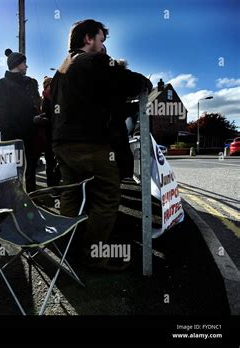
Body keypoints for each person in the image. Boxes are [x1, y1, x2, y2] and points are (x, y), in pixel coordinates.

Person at [51, 19, 152, 271]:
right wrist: (146, 85)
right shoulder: (93, 60)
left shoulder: (60, 71)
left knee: (71, 193)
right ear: (88, 39)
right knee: (107, 195)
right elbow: (129, 80)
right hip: (90, 142)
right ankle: (93, 255)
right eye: (101, 39)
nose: (102, 45)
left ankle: (67, 245)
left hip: (63, 143)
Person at [0, 48, 43, 192]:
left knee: (31, 169)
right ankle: (14, 204)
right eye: (24, 63)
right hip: (12, 138)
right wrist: (28, 123)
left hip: (32, 136)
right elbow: (2, 116)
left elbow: (35, 106)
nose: (27, 66)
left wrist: (37, 119)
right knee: (13, 172)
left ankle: (33, 200)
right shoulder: (1, 84)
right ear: (17, 63)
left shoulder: (30, 82)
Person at [40, 76, 60, 187]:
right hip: (48, 137)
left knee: (61, 161)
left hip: (58, 135)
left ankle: (55, 182)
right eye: (51, 85)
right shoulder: (44, 101)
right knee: (50, 163)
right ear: (46, 86)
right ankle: (52, 186)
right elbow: (46, 118)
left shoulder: (56, 98)